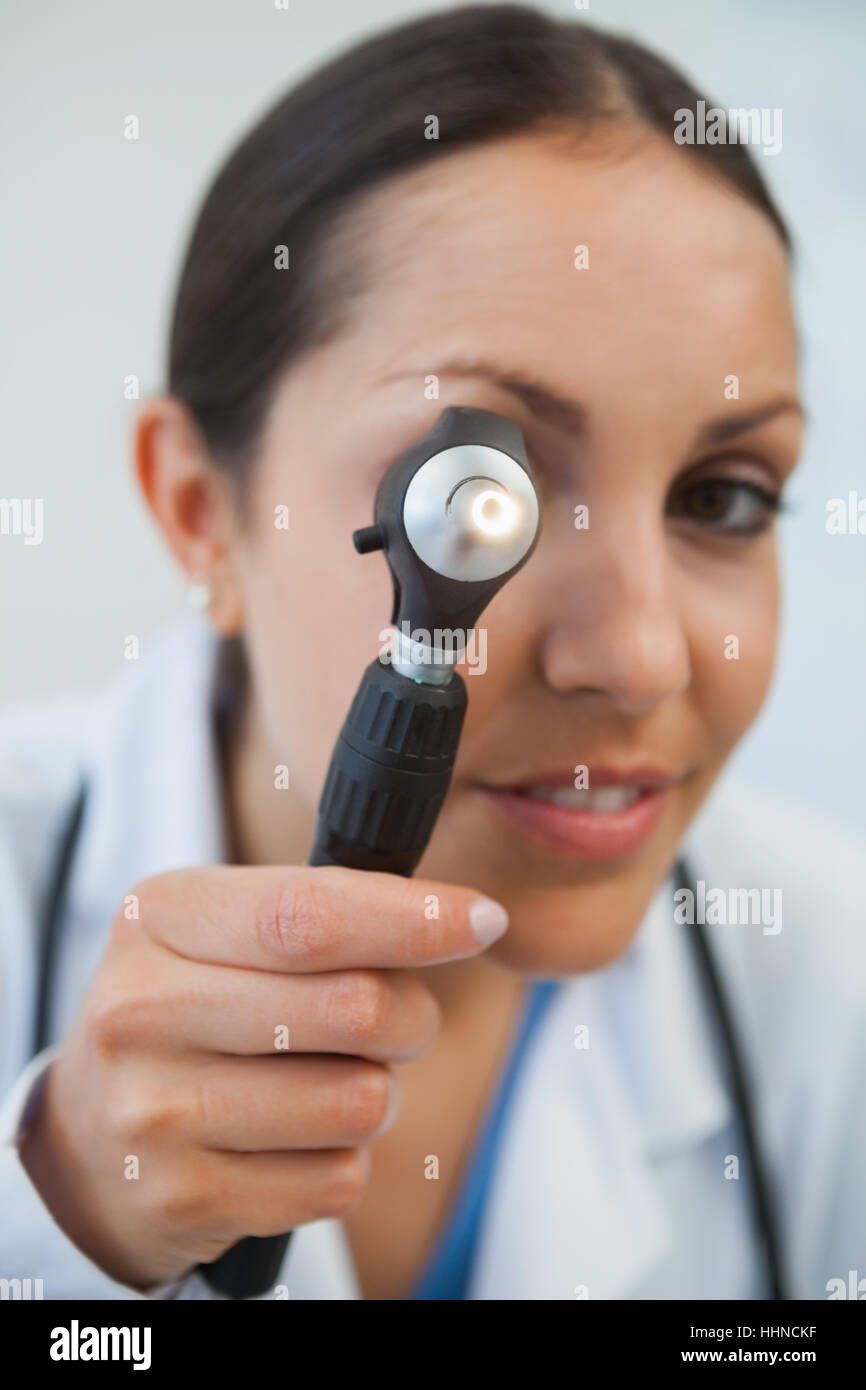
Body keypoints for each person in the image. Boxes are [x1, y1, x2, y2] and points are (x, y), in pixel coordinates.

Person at [1, 4, 863, 1301]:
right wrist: (55, 1225)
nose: (635, 659)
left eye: (721, 496)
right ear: (200, 511)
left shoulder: (830, 976)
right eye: (474, 496)